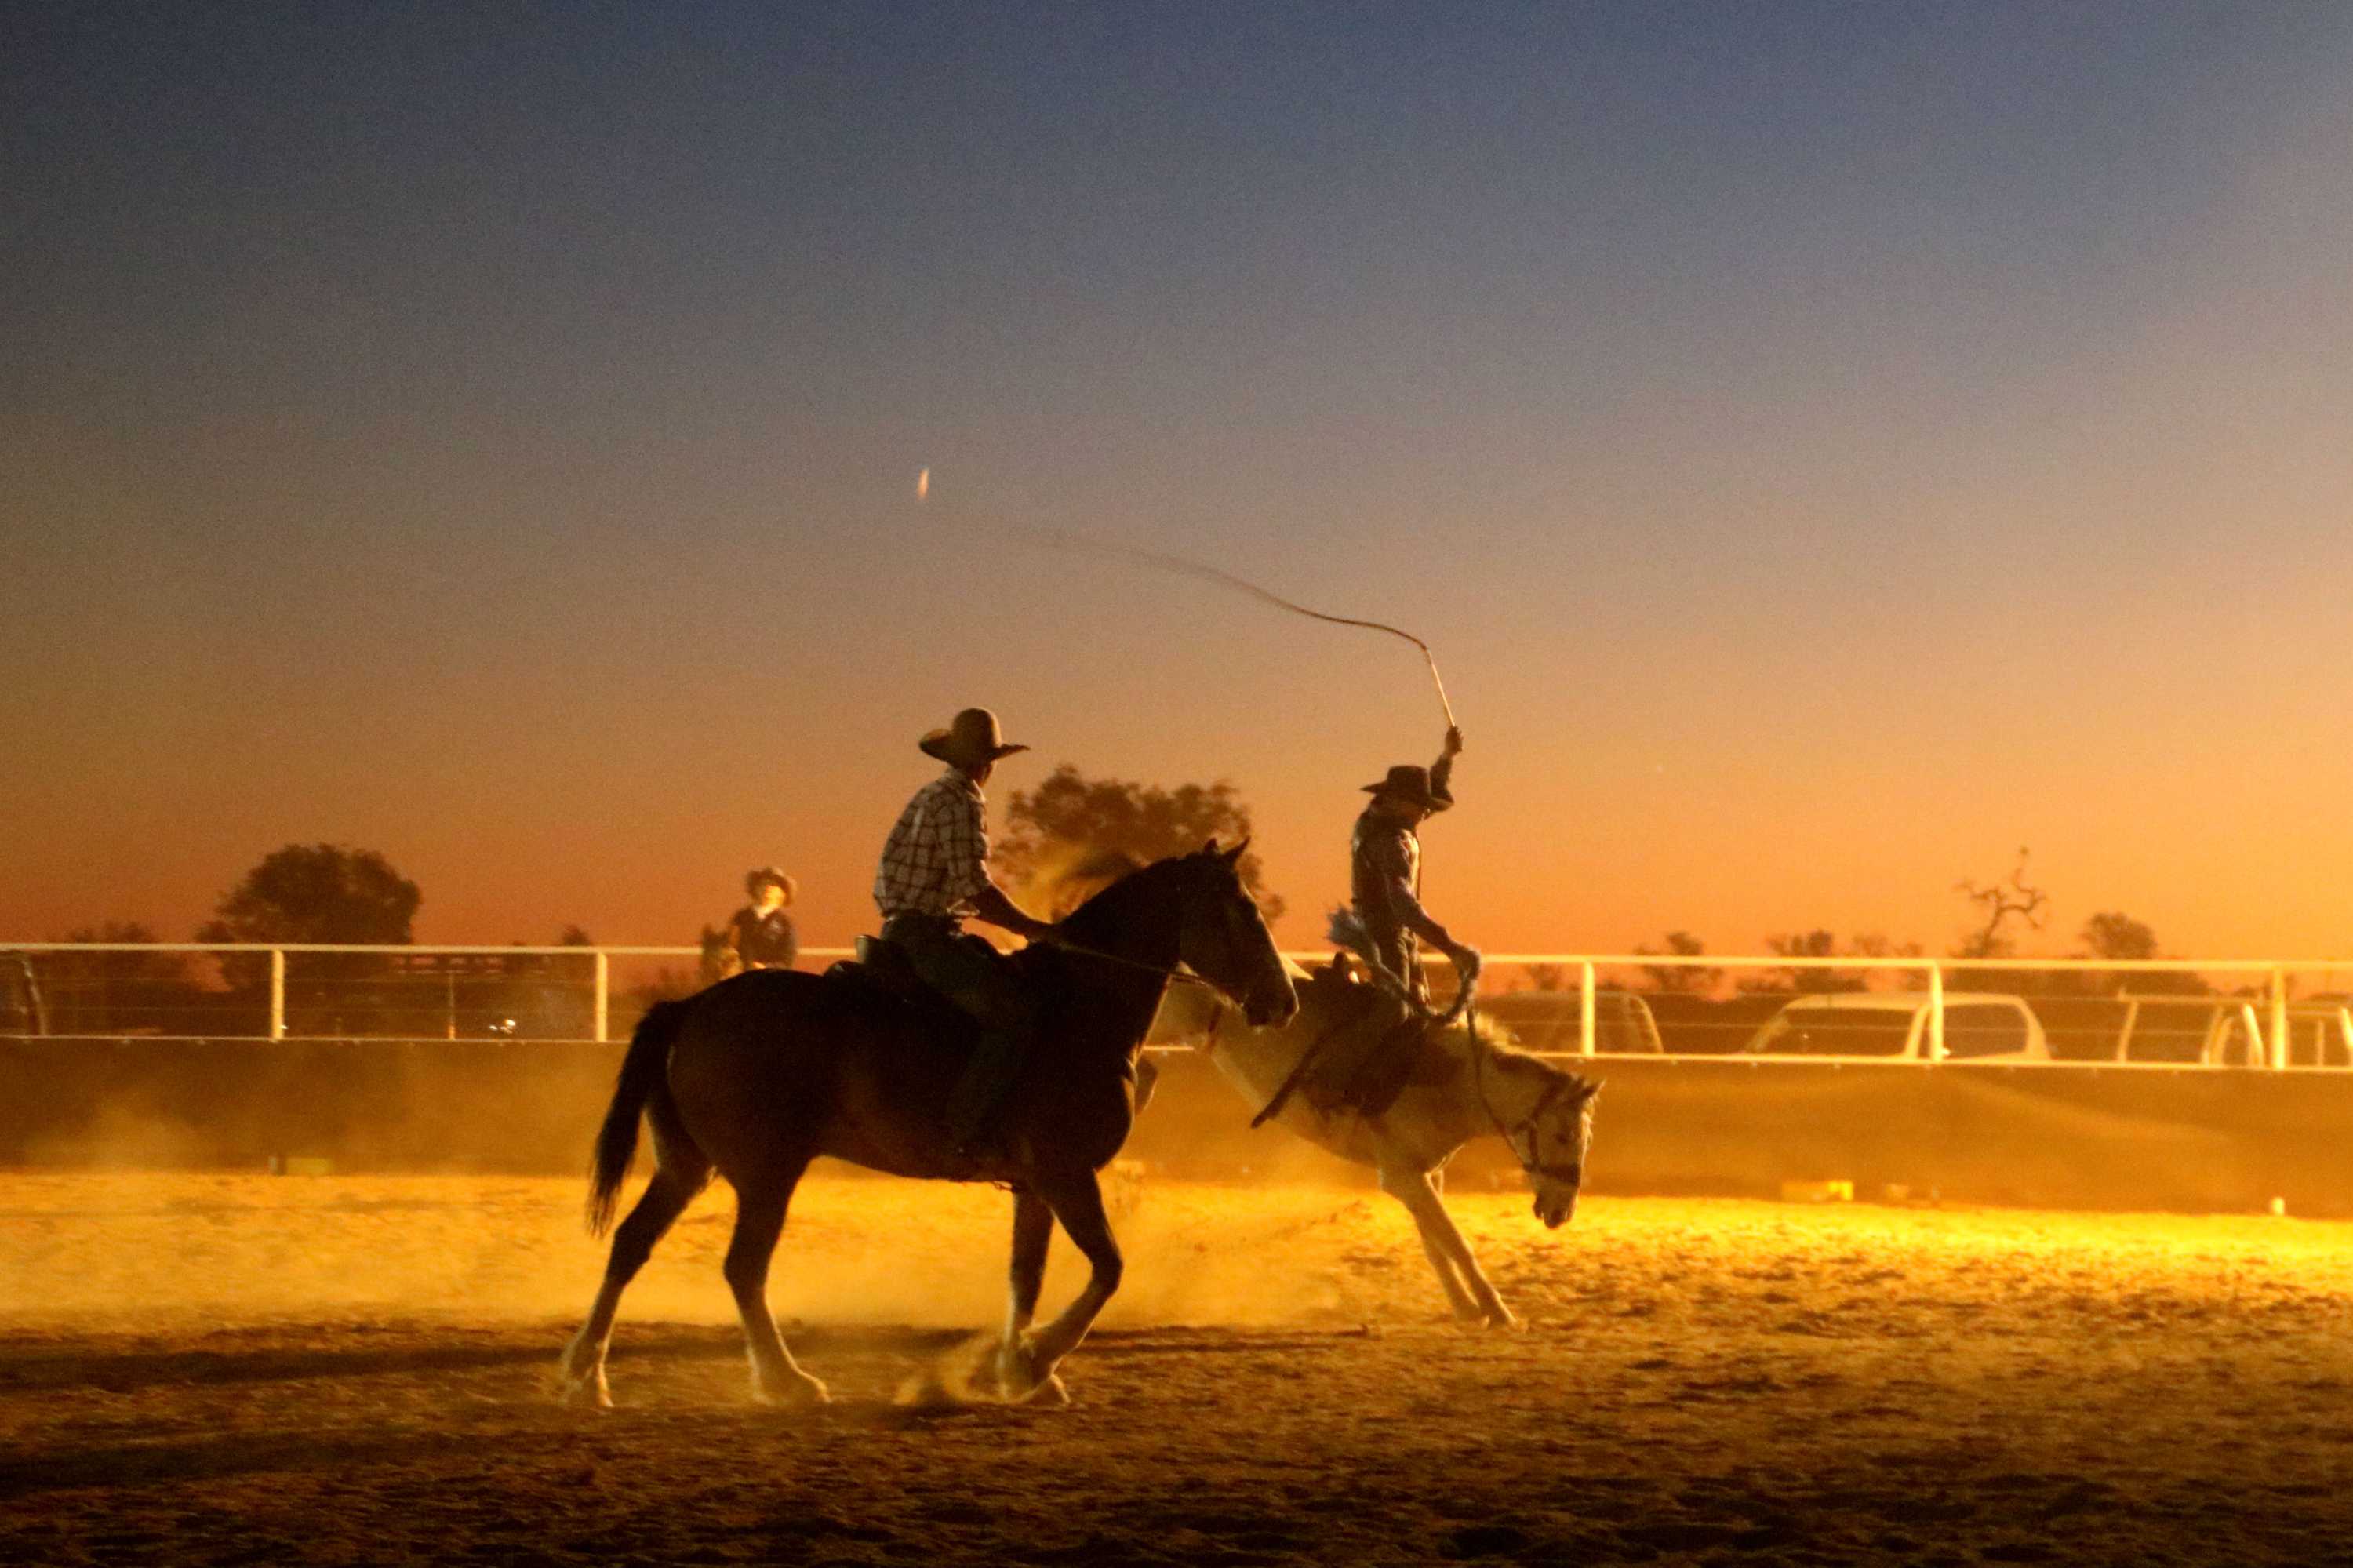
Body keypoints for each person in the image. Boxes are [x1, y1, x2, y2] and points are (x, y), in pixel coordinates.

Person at [872, 706, 1060, 1159]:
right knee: (1014, 1016)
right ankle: (963, 1133)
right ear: (988, 763)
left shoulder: (931, 794)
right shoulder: (963, 800)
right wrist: (1033, 928)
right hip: (926, 936)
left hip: (906, 928)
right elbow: (972, 886)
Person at [1311, 726, 1481, 1116]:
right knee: (1393, 1011)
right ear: (1399, 801)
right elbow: (1403, 904)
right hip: (1385, 930)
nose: (1427, 810)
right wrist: (1451, 947)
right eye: (1419, 804)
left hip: (1386, 927)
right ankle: (1328, 1081)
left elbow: (1433, 793)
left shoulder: (1381, 820)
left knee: (1416, 1006)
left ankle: (1381, 1089)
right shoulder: (1392, 842)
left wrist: (1447, 757)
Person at [725, 868, 799, 973]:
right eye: (764, 883)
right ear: (755, 888)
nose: (768, 887)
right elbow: (730, 945)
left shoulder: (786, 924)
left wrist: (766, 967)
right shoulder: (741, 918)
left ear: (782, 893)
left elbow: (787, 960)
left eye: (774, 884)